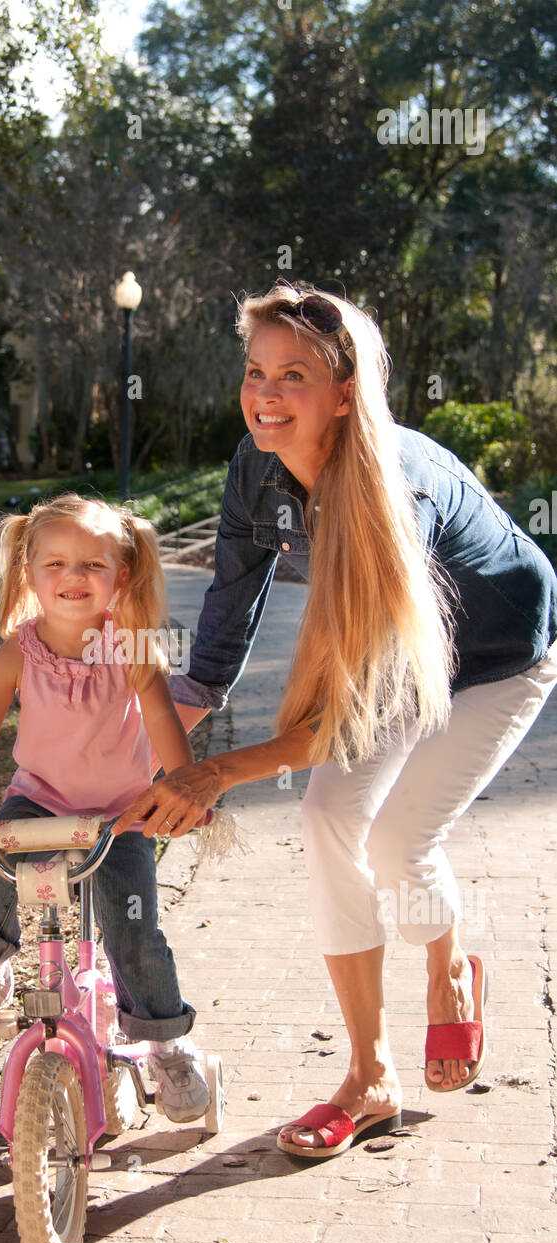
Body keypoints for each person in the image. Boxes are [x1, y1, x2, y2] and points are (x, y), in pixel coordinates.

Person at [113, 281, 557, 1158]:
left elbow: (364, 706)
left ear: (346, 391)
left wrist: (218, 774)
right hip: (393, 665)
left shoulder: (397, 497)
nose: (265, 396)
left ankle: (447, 973)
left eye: (294, 376)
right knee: (324, 816)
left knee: (398, 842)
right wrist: (134, 746)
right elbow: (220, 637)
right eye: (253, 373)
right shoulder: (253, 470)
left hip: (501, 661)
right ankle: (369, 1076)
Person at [0, 493, 211, 1122]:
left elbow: (161, 723)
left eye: (94, 566)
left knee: (135, 930)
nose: (74, 578)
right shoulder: (17, 653)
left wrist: (184, 787)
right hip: (39, 800)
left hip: (122, 811)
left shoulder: (133, 648)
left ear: (121, 575)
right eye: (56, 564)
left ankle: (164, 1041)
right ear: (28, 573)